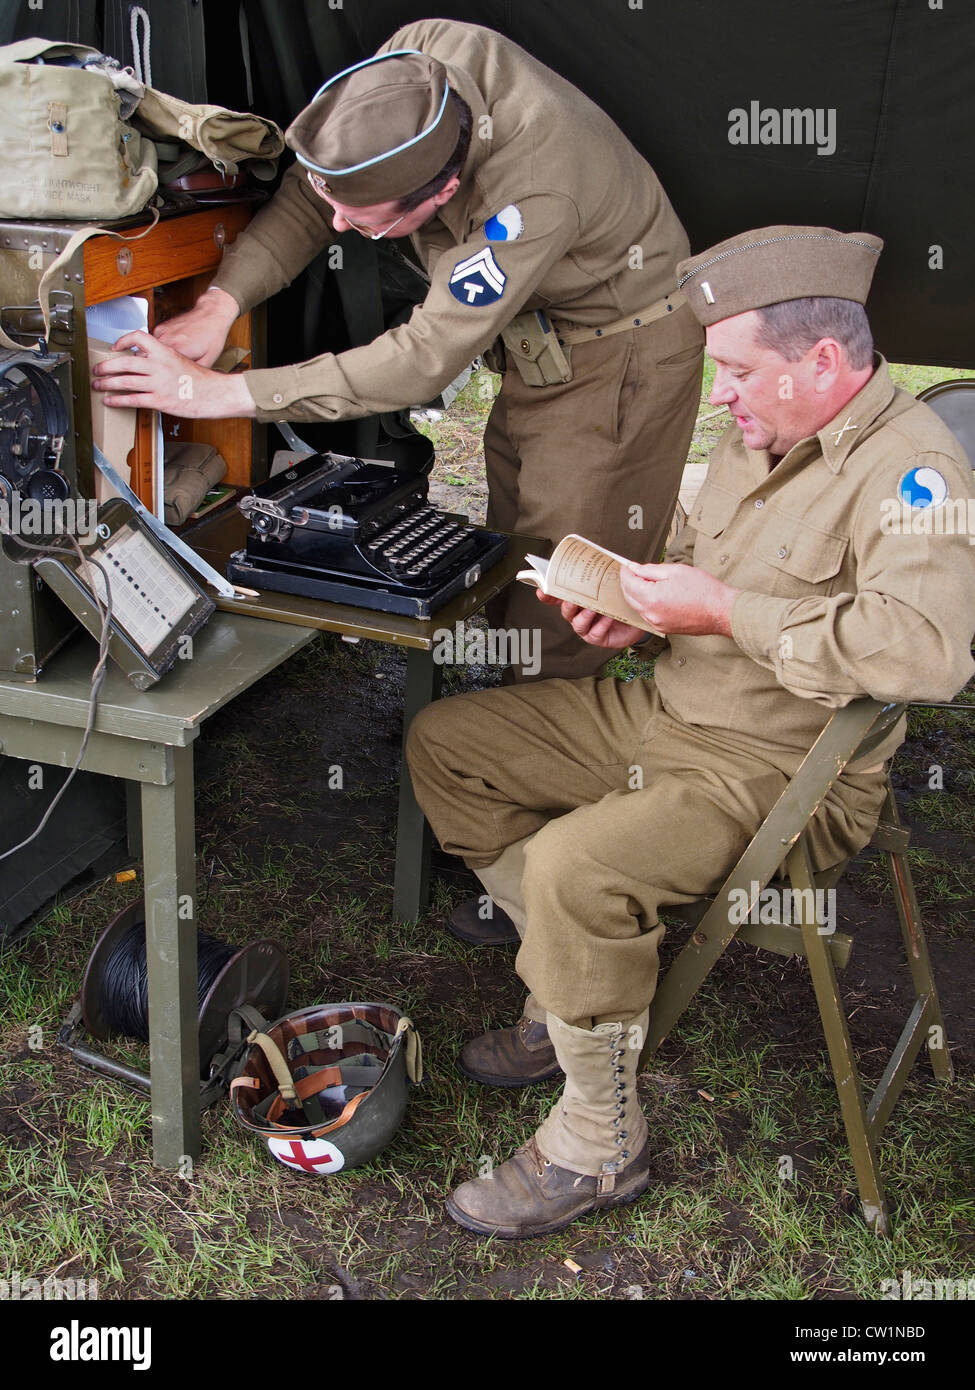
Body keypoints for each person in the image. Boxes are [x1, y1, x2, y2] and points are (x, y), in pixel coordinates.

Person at [405, 224, 975, 1239]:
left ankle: (598, 1142)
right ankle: (572, 979)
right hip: (668, 711)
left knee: (578, 868)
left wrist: (720, 613)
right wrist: (629, 602)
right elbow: (693, 548)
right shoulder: (761, 427)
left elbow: (927, 653)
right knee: (450, 745)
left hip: (777, 770)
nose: (722, 398)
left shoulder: (915, 473)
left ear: (824, 361)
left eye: (739, 373)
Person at [91, 17, 703, 684]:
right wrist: (220, 304)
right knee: (514, 549)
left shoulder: (530, 194)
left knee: (562, 592)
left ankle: (538, 748)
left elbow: (424, 357)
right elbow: (312, 193)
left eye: (363, 222)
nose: (338, 227)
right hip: (540, 345)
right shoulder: (416, 67)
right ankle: (498, 699)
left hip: (618, 357)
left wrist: (216, 393)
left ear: (442, 194)